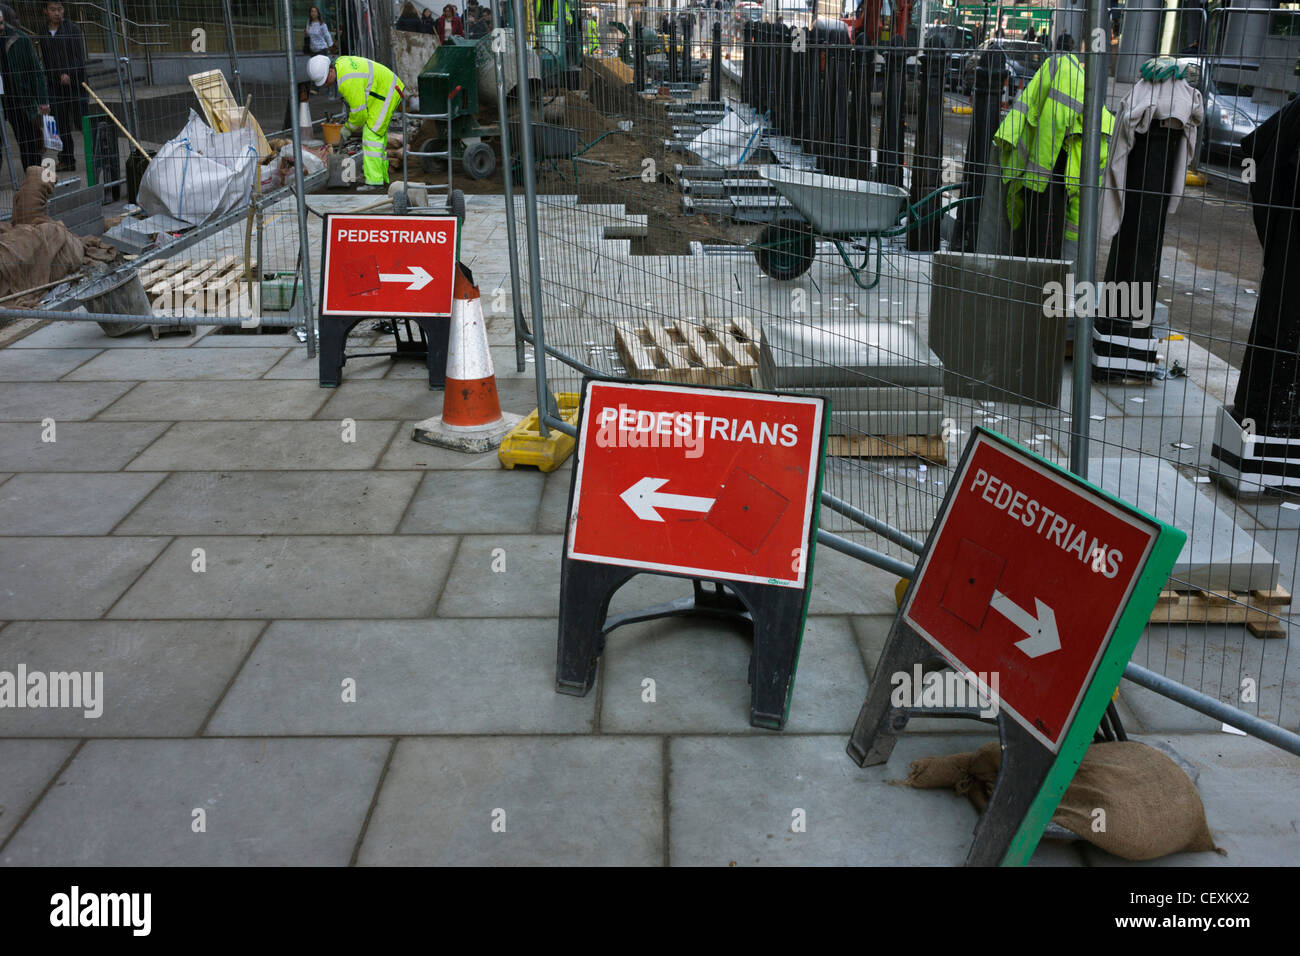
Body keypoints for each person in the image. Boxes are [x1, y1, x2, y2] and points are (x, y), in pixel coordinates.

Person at [993, 31, 1115, 262]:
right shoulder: (1074, 81)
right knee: (1046, 251)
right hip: (1055, 183)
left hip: (1045, 181)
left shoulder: (1054, 71)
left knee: (1037, 247)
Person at [308, 53, 407, 193]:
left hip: (387, 92)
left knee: (371, 136)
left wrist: (347, 129)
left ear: (330, 70)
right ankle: (382, 178)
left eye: (325, 80)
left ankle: (375, 182)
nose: (325, 84)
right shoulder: (341, 65)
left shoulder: (347, 81)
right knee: (377, 139)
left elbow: (360, 115)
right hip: (386, 88)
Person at [0, 4, 50, 173]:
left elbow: (36, 72)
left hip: (19, 98)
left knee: (28, 141)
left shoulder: (20, 39)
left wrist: (42, 100)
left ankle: (33, 176)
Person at [36, 0, 84, 172]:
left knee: (81, 122)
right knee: (61, 124)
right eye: (53, 9)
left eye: (60, 9)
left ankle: (97, 155)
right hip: (55, 86)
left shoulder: (72, 30)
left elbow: (79, 57)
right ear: (45, 11)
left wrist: (69, 73)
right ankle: (67, 159)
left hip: (75, 85)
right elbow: (47, 61)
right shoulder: (43, 33)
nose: (57, 13)